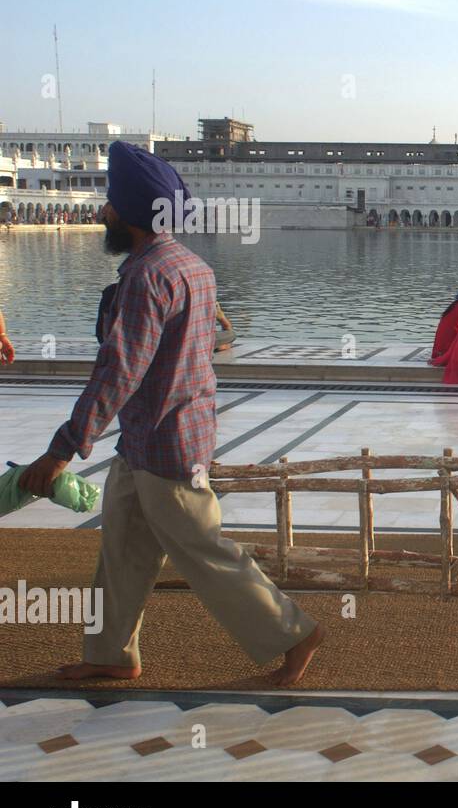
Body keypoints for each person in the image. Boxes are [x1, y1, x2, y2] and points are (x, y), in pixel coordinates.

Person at [17, 140, 322, 686]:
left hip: (169, 446)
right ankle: (112, 653)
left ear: (130, 213)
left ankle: (295, 634)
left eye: (109, 204)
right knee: (121, 551)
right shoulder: (191, 266)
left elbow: (119, 371)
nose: (103, 213)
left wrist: (62, 449)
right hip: (151, 437)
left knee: (204, 550)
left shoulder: (146, 277)